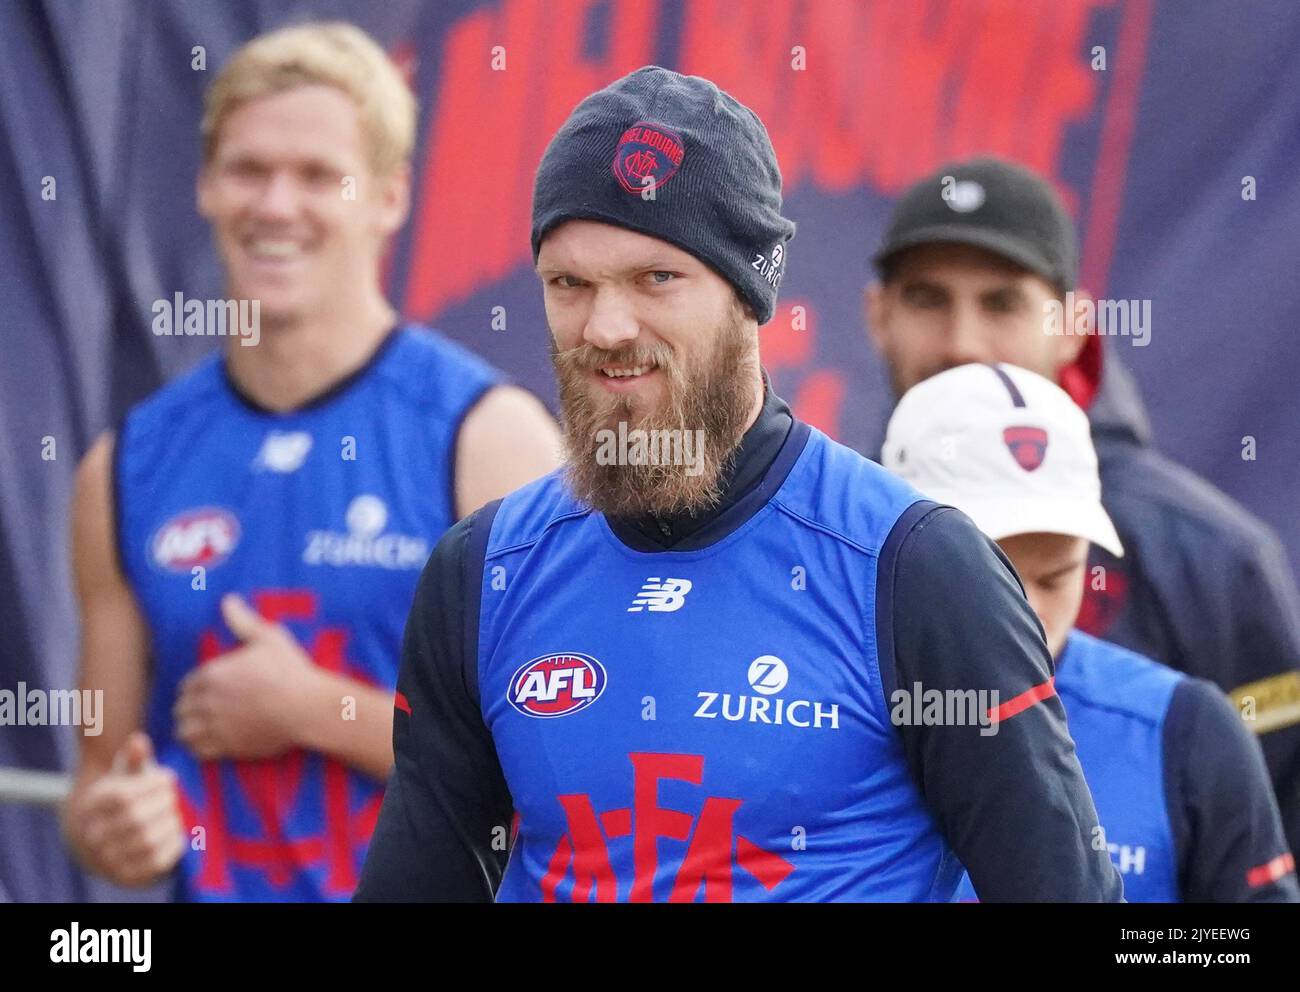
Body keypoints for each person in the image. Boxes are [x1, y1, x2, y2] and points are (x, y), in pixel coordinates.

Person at [356, 66, 1121, 903]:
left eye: (657, 278)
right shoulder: (484, 571)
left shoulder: (917, 566)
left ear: (749, 297)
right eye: (569, 283)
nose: (607, 328)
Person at [62, 22, 562, 900]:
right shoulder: (126, 465)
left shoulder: (489, 439)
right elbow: (99, 779)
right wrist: (114, 826)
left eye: (317, 175)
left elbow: (556, 770)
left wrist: (312, 710)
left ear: (389, 198)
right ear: (207, 187)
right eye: (249, 169)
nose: (277, 206)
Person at [865, 157, 1300, 853]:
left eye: (1002, 302)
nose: (962, 343)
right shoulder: (822, 527)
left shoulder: (1215, 560)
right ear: (877, 316)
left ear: (1073, 325)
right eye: (927, 299)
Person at [884, 362, 1297, 902]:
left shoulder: (1182, 728)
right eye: (989, 579)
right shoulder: (804, 707)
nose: (1026, 616)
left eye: (1057, 576)